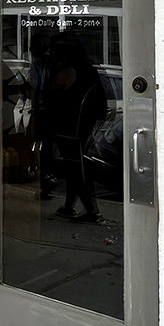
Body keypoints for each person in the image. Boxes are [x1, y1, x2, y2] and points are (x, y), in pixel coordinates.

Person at [43, 32, 107, 223]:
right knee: (75, 166)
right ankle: (69, 206)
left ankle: (92, 212)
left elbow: (50, 91)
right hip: (83, 127)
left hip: (68, 128)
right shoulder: (89, 68)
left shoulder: (68, 71)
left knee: (75, 170)